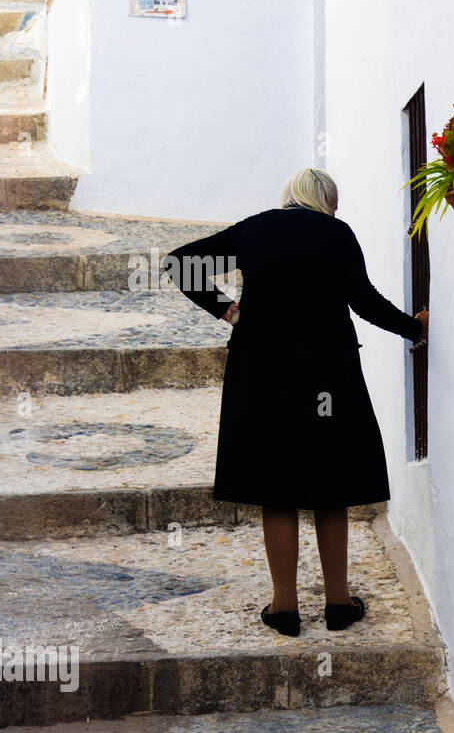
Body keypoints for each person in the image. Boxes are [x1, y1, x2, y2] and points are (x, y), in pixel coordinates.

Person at [164, 168, 429, 637]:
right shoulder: (336, 233)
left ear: (289, 197)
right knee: (332, 487)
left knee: (275, 487)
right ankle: (338, 604)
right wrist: (414, 328)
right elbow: (362, 300)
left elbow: (181, 261)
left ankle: (284, 608)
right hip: (328, 376)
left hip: (261, 374)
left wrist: (226, 308)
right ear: (327, 202)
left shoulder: (257, 228)